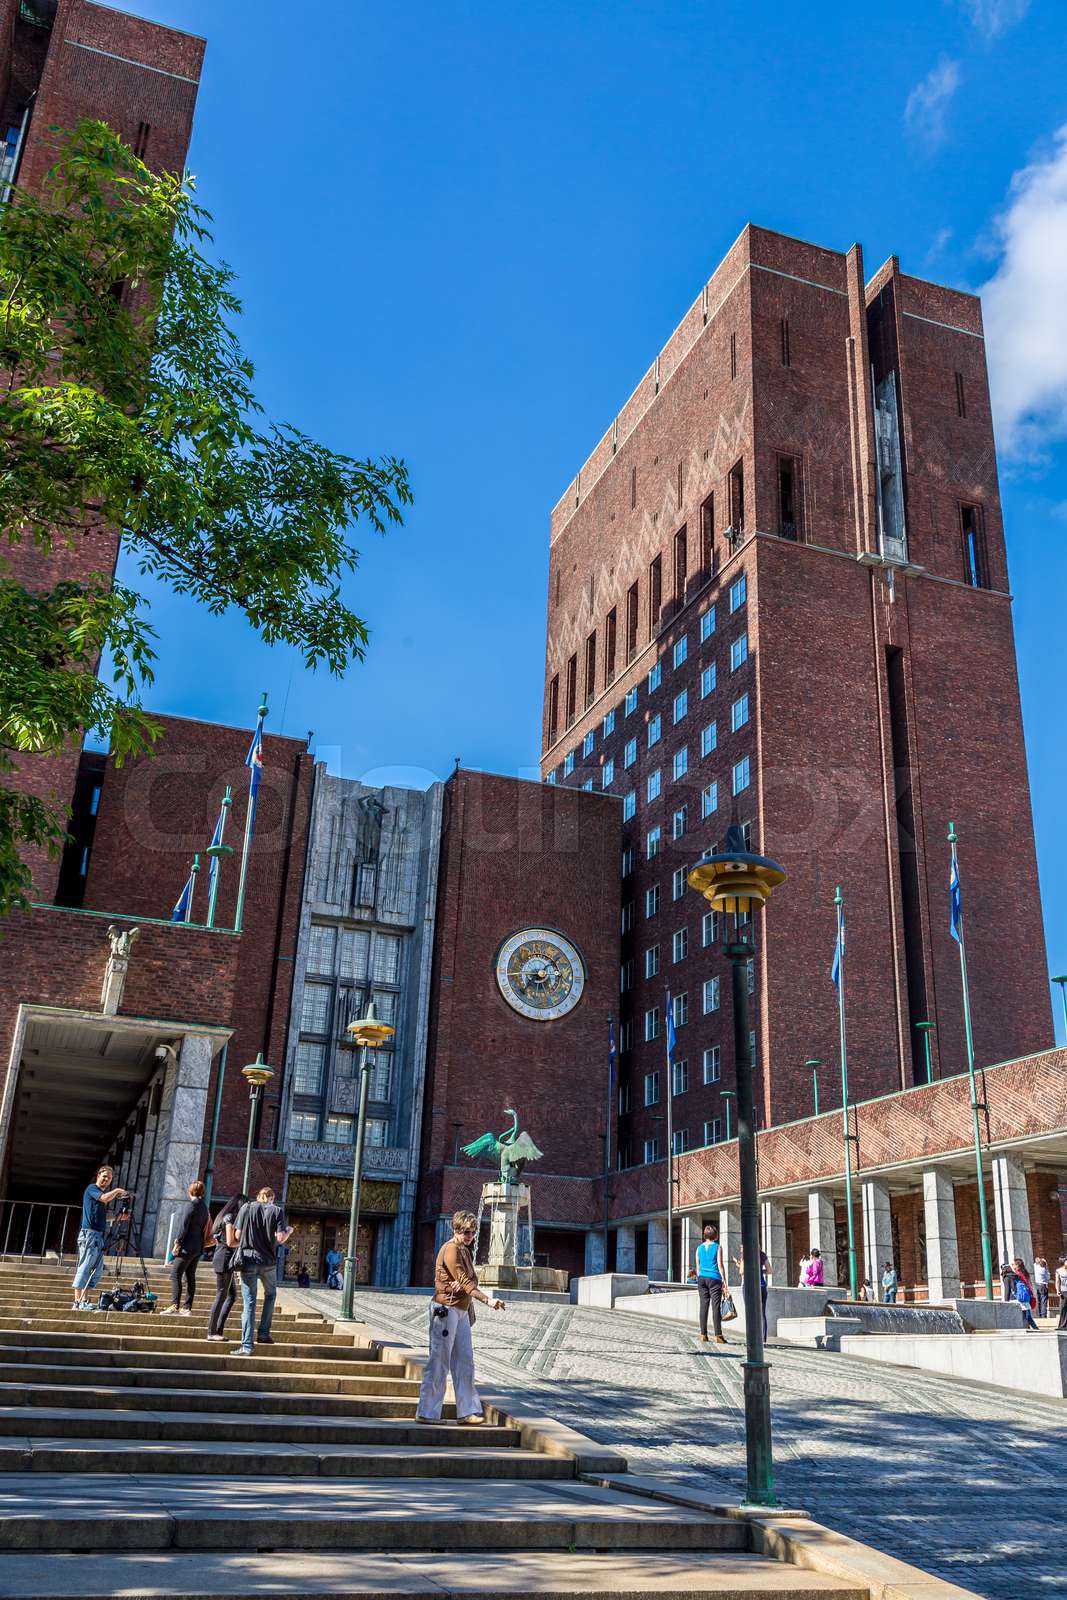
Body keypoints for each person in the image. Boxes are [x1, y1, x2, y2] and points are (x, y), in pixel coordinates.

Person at [416, 1209, 505, 1424]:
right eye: (466, 1231)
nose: (470, 1236)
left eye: (473, 1232)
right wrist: (488, 1300)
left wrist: (461, 1285)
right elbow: (465, 1281)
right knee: (439, 1361)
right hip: (445, 1310)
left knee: (465, 1361)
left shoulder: (464, 1250)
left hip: (461, 1310)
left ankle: (467, 1411)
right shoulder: (451, 1249)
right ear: (456, 1229)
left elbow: (463, 1281)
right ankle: (426, 1412)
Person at [230, 1186, 293, 1356]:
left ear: (258, 1196)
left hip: (248, 1259)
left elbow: (237, 1235)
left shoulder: (246, 1208)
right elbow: (280, 1239)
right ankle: (264, 1333)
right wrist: (288, 1231)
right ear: (271, 1198)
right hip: (268, 1262)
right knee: (270, 1295)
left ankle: (247, 1345)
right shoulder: (277, 1211)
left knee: (249, 1302)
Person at [71, 1165, 129, 1310]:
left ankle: (85, 1300)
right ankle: (77, 1302)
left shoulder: (101, 1197)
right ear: (98, 1175)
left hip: (98, 1236)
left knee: (95, 1271)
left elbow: (105, 1217)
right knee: (84, 1267)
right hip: (89, 1234)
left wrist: (120, 1217)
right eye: (104, 1176)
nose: (107, 1179)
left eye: (109, 1178)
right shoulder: (92, 1189)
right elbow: (104, 1198)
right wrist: (116, 1191)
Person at [162, 1180, 209, 1316]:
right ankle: (187, 1307)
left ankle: (174, 1305)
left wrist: (177, 1243)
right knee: (190, 1276)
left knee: (175, 1274)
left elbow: (183, 1226)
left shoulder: (190, 1206)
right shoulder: (204, 1207)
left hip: (187, 1245)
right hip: (198, 1246)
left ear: (190, 1192)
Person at [205, 1191, 246, 1342]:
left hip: (224, 1258)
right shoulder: (229, 1218)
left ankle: (218, 1329)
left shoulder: (224, 1216)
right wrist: (245, 1243)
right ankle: (211, 1332)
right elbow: (230, 1242)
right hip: (224, 1259)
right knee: (221, 1294)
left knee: (232, 1295)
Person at [694, 1223, 726, 1344]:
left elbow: (698, 1266)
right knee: (715, 1306)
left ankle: (703, 1334)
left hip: (702, 1278)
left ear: (704, 1235)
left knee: (703, 1305)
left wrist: (700, 1277)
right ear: (716, 1236)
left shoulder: (699, 1248)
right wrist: (724, 1280)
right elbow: (720, 1265)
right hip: (714, 1278)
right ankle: (718, 1335)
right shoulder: (718, 1247)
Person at [734, 1246, 771, 1341]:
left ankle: (752, 1338)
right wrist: (760, 1271)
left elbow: (742, 1272)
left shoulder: (745, 1255)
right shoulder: (762, 1254)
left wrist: (740, 1265)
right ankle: (763, 1339)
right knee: (762, 1313)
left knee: (749, 1313)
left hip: (749, 1286)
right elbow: (770, 1270)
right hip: (761, 1286)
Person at [1056, 1257, 1067, 1331]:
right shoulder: (1058, 1271)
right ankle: (1062, 1325)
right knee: (1063, 1308)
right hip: (1063, 1292)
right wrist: (1058, 1290)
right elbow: (1057, 1282)